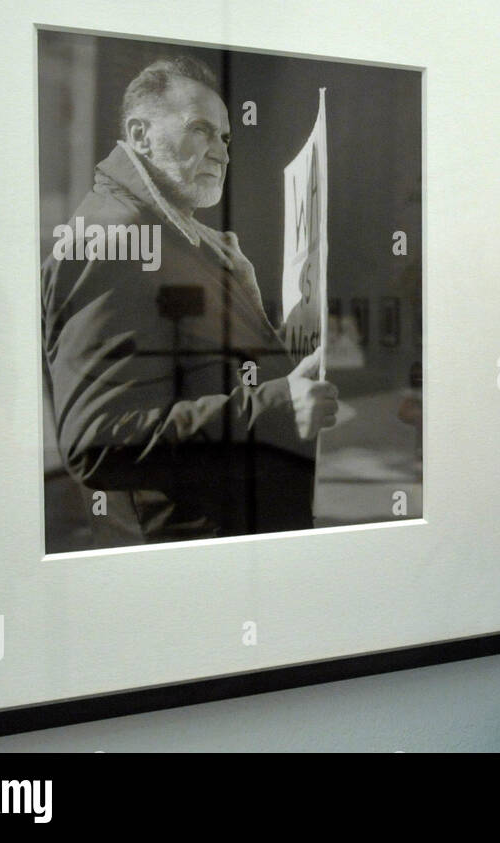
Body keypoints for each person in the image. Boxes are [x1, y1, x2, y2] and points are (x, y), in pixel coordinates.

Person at [41, 56, 338, 548]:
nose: (222, 154)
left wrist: (252, 310)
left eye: (225, 138)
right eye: (200, 131)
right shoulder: (113, 241)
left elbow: (195, 373)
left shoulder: (176, 235)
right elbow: (96, 441)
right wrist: (279, 406)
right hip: (189, 558)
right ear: (140, 136)